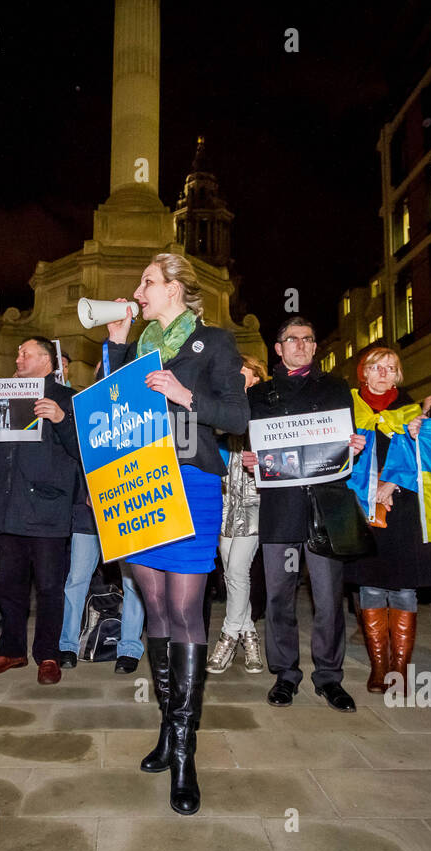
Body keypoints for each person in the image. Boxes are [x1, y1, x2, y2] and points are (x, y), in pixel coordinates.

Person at [102, 252, 249, 816]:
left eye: (146, 282)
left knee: (186, 610)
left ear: (177, 290)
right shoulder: (135, 348)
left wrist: (183, 394)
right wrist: (116, 346)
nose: (138, 290)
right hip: (136, 482)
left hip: (190, 479)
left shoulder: (211, 342)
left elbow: (236, 418)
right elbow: (109, 413)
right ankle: (168, 729)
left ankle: (185, 753)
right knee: (155, 607)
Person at [246, 317, 366, 715]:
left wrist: (353, 444)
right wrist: (252, 459)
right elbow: (255, 444)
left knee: (329, 598)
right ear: (277, 348)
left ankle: (330, 677)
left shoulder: (335, 388)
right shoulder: (259, 395)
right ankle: (285, 674)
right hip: (281, 507)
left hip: (325, 506)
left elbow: (343, 439)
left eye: (308, 339)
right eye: (292, 339)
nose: (301, 344)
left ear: (315, 347)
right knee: (279, 595)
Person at [0, 337, 80, 686]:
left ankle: (48, 655)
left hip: (48, 509)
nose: (18, 356)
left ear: (48, 361)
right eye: (18, 351)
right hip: (9, 508)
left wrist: (60, 420)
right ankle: (11, 650)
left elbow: (82, 452)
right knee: (9, 588)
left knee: (49, 587)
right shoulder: (6, 395)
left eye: (25, 352)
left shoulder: (68, 400)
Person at [346, 346, 430, 694]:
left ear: (398, 376)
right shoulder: (346, 410)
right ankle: (379, 668)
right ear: (363, 373)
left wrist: (392, 482)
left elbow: (426, 457)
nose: (383, 373)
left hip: (402, 507)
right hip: (359, 506)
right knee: (370, 585)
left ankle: (400, 670)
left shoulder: (413, 412)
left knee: (404, 589)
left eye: (391, 368)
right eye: (376, 367)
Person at [208, 354, 270, 675]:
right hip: (223, 503)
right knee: (231, 576)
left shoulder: (264, 409)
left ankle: (227, 637)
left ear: (256, 377)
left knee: (236, 571)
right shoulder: (224, 407)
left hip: (254, 503)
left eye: (241, 371)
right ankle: (250, 637)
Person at [57, 466, 147, 674]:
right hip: (87, 511)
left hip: (127, 506)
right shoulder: (82, 431)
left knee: (132, 582)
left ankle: (129, 649)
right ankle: (68, 645)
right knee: (76, 580)